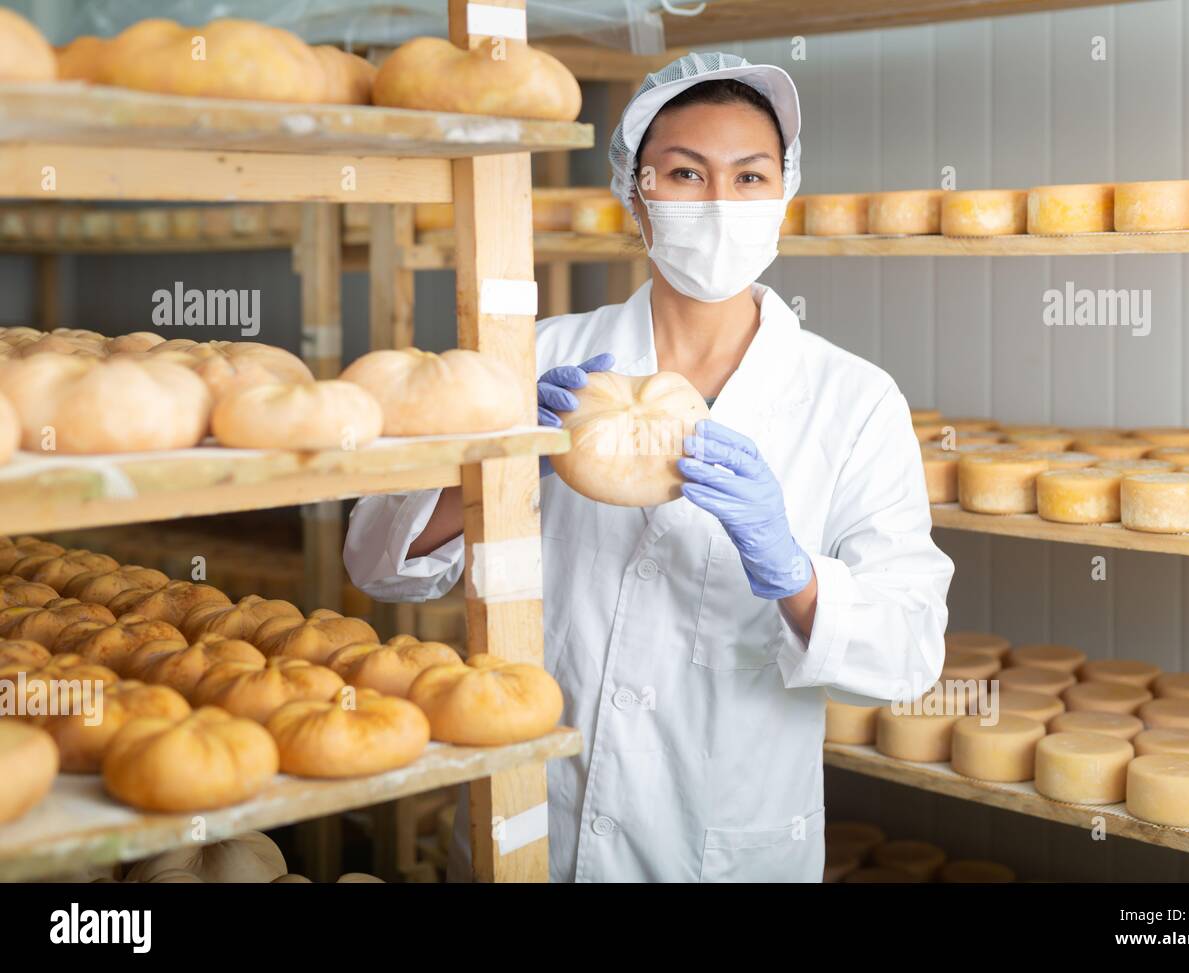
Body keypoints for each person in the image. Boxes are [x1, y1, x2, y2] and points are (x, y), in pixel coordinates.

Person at [344, 52, 953, 882]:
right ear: (636, 195)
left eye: (748, 177)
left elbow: (907, 652)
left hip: (721, 839)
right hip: (535, 820)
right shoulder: (542, 358)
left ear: (784, 194)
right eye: (684, 173)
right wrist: (498, 464)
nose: (717, 203)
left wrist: (793, 572)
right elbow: (376, 560)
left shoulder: (853, 398)